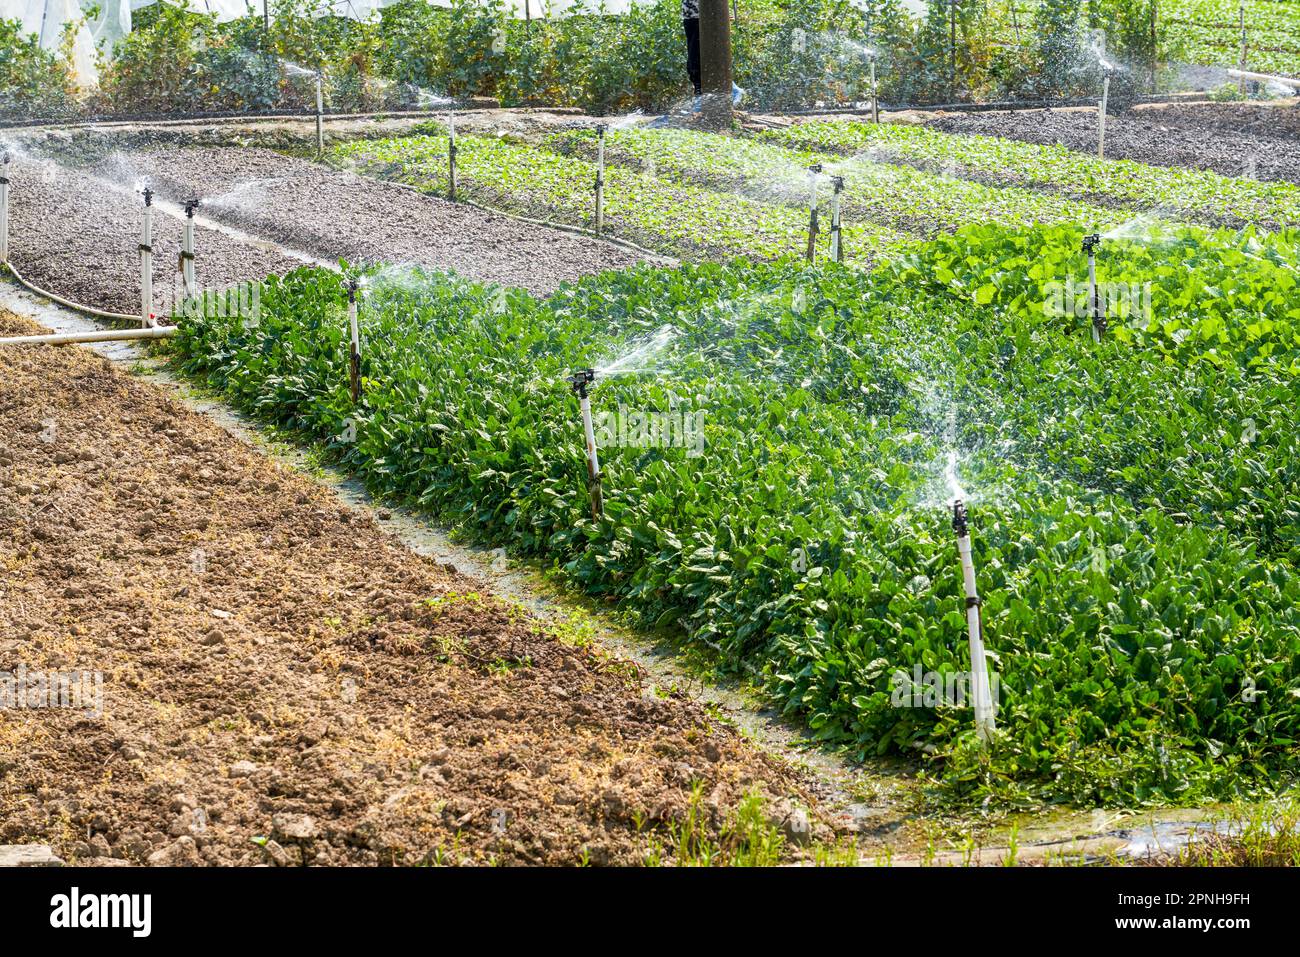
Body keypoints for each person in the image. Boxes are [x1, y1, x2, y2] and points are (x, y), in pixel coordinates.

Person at [682, 0, 702, 97]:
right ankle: (698, 89)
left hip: (702, 19)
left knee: (695, 59)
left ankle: (699, 89)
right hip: (689, 19)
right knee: (693, 59)